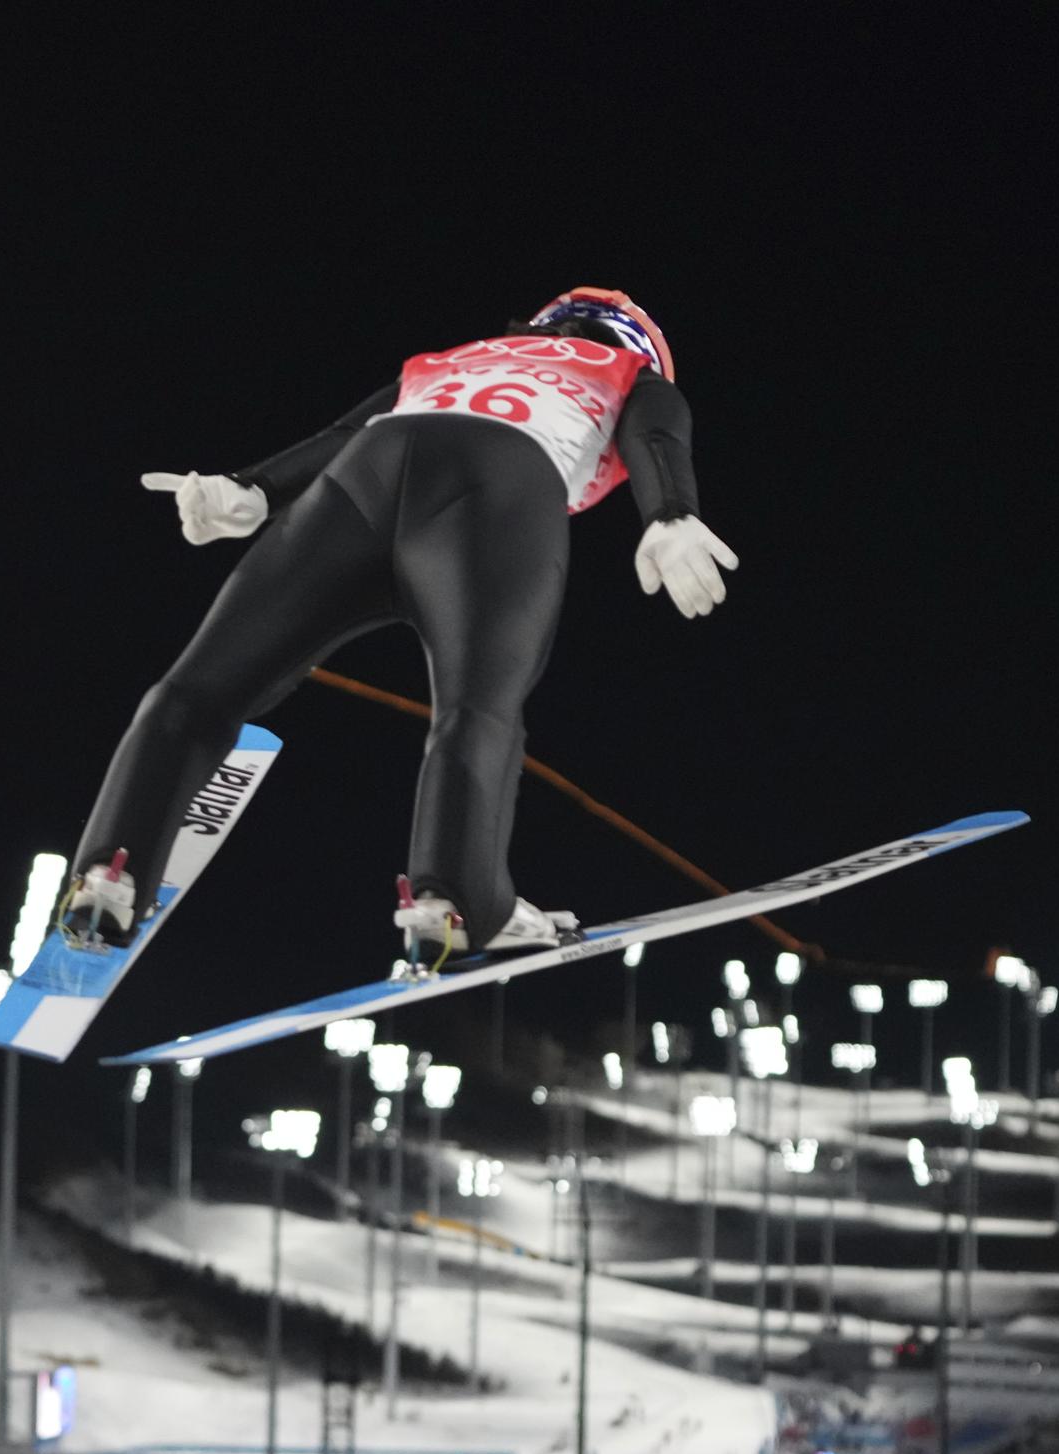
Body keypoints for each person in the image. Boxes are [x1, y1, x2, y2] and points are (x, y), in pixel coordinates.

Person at [60, 287, 737, 970]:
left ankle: (107, 872)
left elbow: (345, 434)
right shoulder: (627, 372)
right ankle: (457, 901)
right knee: (476, 708)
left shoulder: (457, 358)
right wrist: (671, 513)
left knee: (203, 685)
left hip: (364, 478)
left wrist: (253, 488)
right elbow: (654, 435)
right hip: (497, 484)